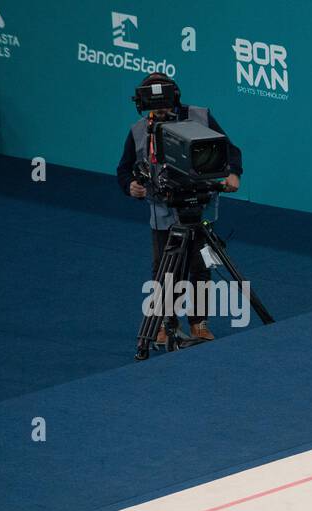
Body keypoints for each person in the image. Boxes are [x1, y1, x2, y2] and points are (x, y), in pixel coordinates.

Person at [116, 73, 242, 343]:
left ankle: (199, 325)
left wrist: (233, 173)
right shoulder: (139, 130)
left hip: (200, 207)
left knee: (200, 266)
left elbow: (230, 150)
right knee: (163, 268)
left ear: (175, 97)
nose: (159, 109)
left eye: (164, 102)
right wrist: (131, 187)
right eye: (153, 104)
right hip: (162, 211)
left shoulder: (200, 116)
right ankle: (163, 325)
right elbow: (124, 170)